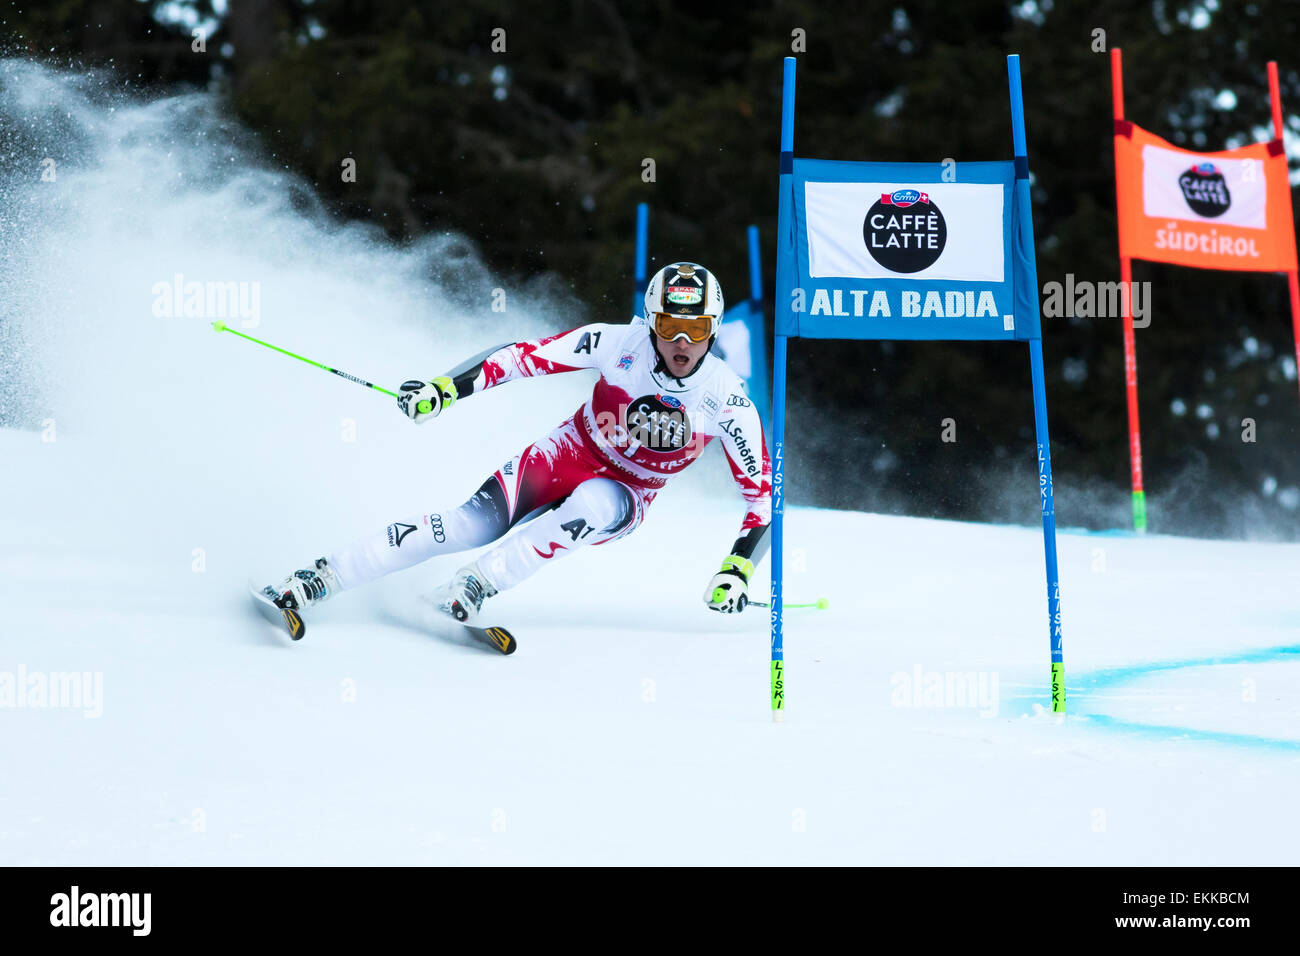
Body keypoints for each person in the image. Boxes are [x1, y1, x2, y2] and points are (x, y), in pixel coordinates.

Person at [266, 262, 772, 625]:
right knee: (469, 524)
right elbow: (523, 357)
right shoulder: (619, 343)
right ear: (651, 322)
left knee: (593, 503)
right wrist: (446, 389)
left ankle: (478, 582)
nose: (681, 343)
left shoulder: (727, 399)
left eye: (695, 329)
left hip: (628, 493)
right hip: (568, 451)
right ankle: (322, 576)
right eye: (669, 326)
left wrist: (737, 568)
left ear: (713, 329)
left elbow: (762, 500)